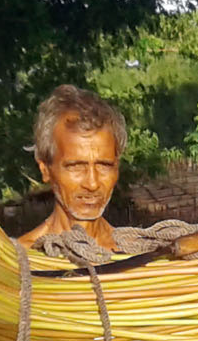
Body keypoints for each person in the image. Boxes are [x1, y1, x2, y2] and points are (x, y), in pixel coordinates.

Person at [17, 84, 126, 251]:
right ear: (45, 170)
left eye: (104, 166)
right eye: (75, 166)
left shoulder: (140, 255)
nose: (92, 184)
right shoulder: (22, 260)